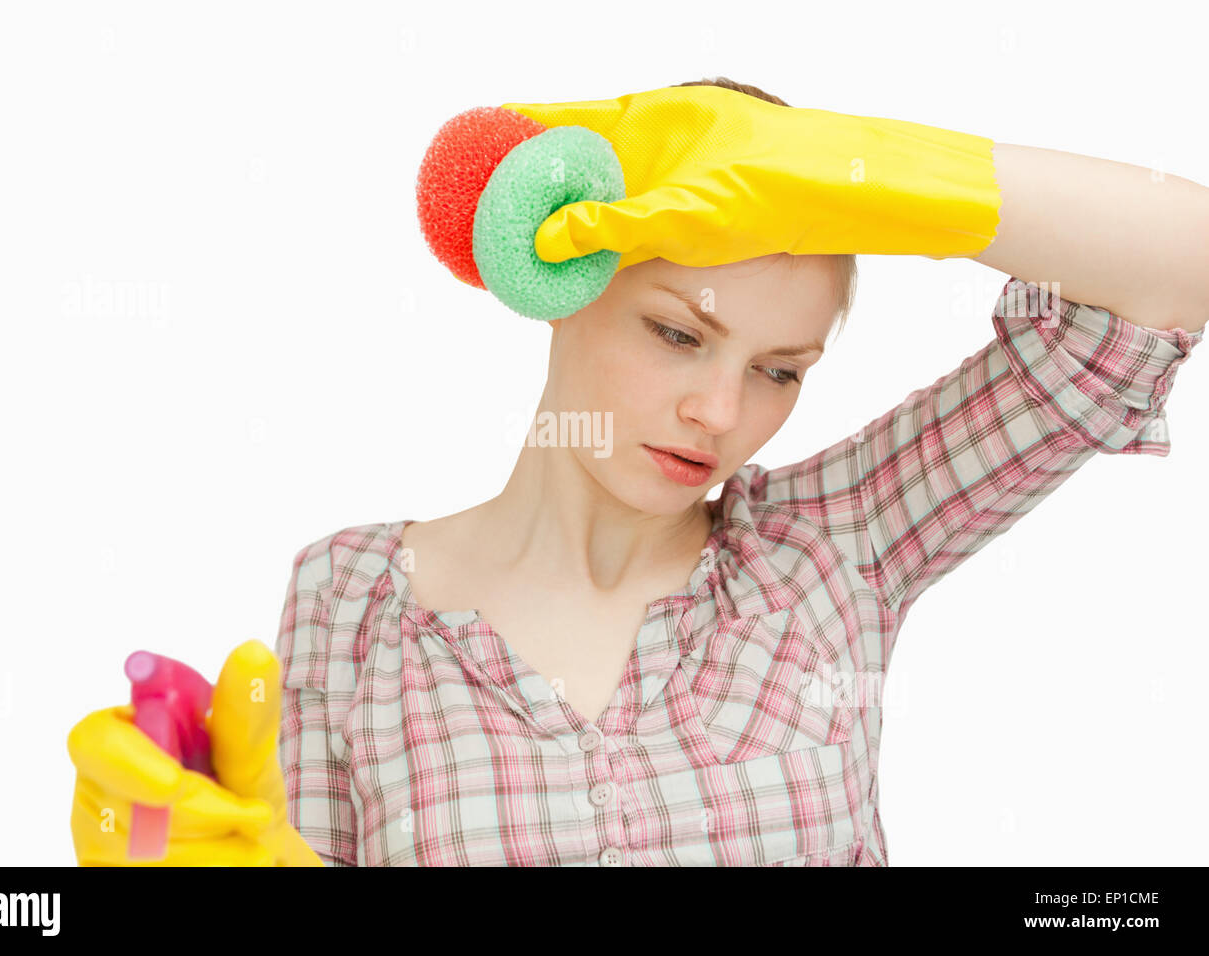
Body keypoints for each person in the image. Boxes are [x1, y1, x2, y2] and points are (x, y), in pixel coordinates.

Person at [69, 77, 1208, 866]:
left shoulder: (837, 544)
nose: (720, 412)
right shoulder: (351, 600)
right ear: (570, 279)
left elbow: (1179, 264)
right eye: (676, 333)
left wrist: (846, 169)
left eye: (780, 369)